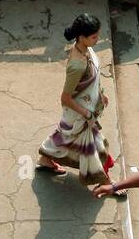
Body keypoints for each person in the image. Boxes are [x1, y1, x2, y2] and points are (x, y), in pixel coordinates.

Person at [37, 13, 113, 186]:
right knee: (94, 147)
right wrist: (85, 113)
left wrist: (101, 93)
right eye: (94, 37)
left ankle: (45, 158)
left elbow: (94, 76)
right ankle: (104, 181)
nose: (97, 39)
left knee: (66, 137)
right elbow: (65, 97)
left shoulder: (87, 50)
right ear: (82, 37)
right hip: (79, 113)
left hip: (85, 110)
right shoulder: (77, 64)